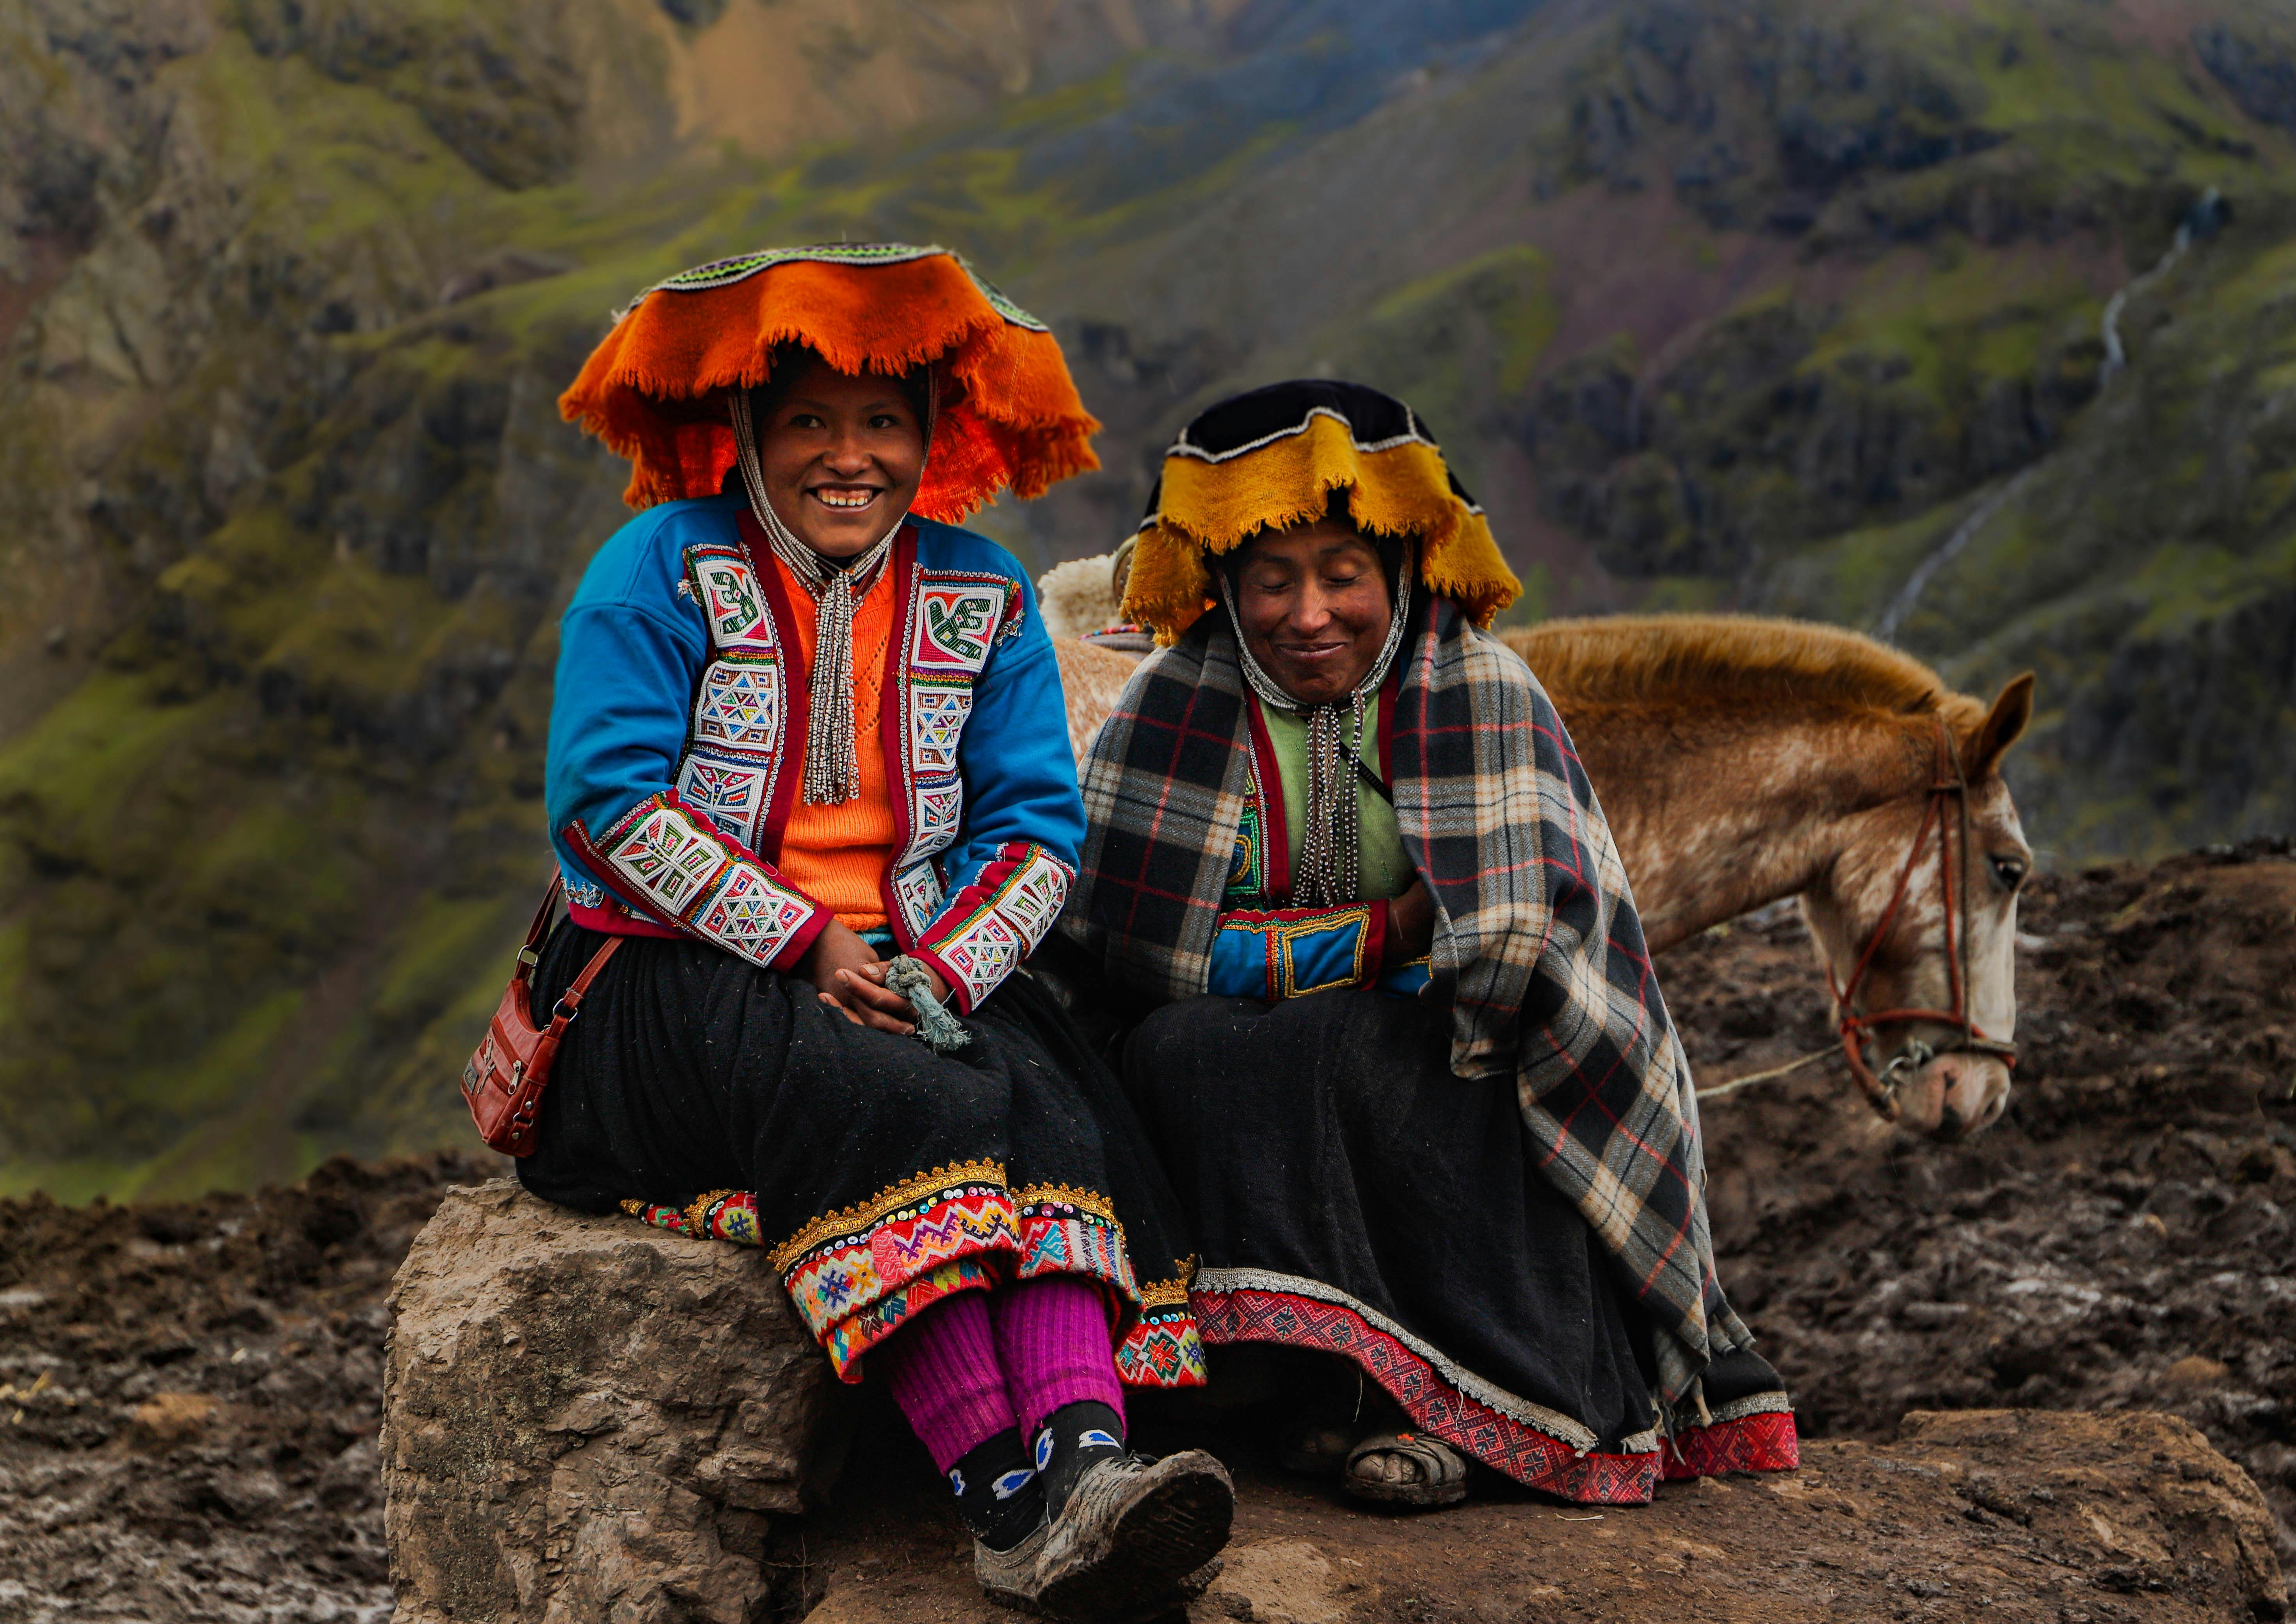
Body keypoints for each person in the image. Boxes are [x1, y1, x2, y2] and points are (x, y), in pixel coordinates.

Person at [530, 244, 1229, 1618]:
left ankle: (1093, 1471)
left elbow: (1035, 832)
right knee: (887, 1097)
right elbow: (607, 805)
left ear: (931, 438)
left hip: (926, 956)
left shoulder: (984, 595)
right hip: (682, 968)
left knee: (1054, 1110)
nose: (849, 459)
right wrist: (806, 944)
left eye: (883, 424)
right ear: (744, 433)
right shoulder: (656, 570)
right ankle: (1006, 1508)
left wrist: (943, 969)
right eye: (808, 423)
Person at [1063, 380, 1797, 1509]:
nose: (1309, 614)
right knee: (1181, 1050)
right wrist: (1378, 931)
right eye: (1272, 580)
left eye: (1341, 575)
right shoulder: (1175, 708)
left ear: (1398, 571)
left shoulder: (1481, 692)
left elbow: (1511, 946)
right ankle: (1301, 1388)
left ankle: (1463, 1411)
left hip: (1455, 1046)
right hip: (1265, 1038)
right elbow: (1136, 946)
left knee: (1375, 1055)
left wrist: (1340, 957)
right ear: (1223, 585)